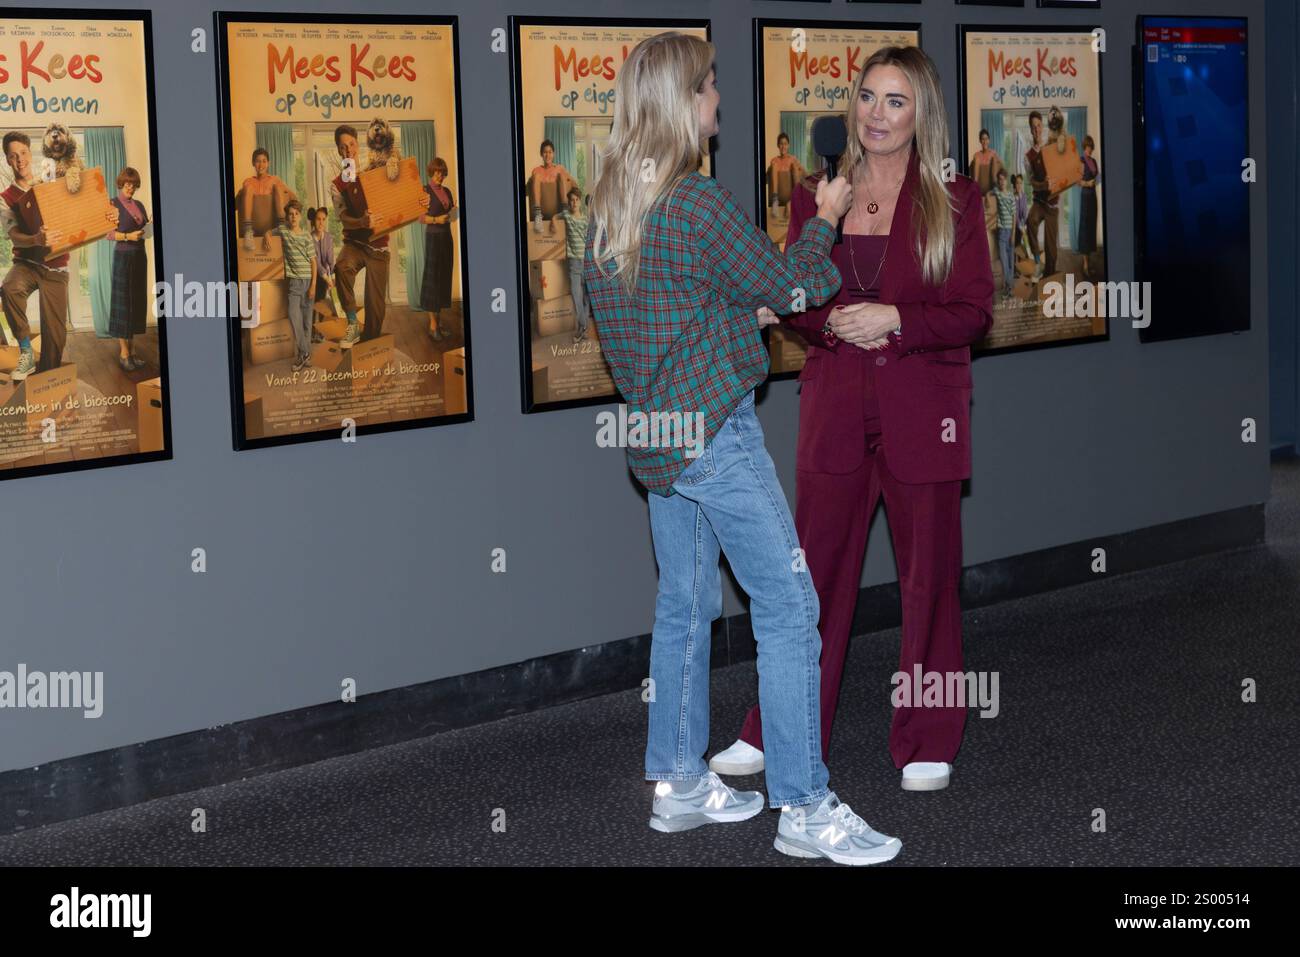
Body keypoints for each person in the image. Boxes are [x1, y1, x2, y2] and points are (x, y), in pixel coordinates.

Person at [584, 31, 901, 866]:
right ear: (683, 100)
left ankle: (681, 784)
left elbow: (660, 325)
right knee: (792, 607)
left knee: (684, 608)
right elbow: (796, 285)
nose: (719, 99)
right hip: (715, 436)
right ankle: (803, 804)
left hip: (658, 441)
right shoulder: (694, 203)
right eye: (711, 85)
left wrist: (738, 314)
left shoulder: (611, 204)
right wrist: (825, 222)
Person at [710, 45, 993, 794]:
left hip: (923, 415)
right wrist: (834, 324)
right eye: (868, 97)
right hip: (835, 413)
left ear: (921, 112)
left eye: (896, 101)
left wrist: (896, 317)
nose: (876, 114)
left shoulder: (955, 199)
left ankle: (930, 732)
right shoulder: (816, 197)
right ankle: (775, 729)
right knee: (807, 584)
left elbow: (973, 311)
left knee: (928, 582)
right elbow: (795, 300)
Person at [2, 131, 115, 381]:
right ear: (7, 160)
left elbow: (84, 204)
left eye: (22, 153)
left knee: (55, 333)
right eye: (12, 156)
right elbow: (13, 234)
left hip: (56, 267)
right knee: (10, 288)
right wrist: (35, 240)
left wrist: (108, 214)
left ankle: (48, 381)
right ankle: (25, 351)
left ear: (30, 154)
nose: (19, 160)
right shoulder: (6, 198)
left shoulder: (51, 179)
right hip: (27, 264)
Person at [329, 124, 388, 347]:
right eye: (343, 147)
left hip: (379, 246)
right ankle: (352, 323)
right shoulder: (336, 185)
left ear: (357, 144)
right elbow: (343, 218)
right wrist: (361, 222)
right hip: (354, 243)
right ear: (338, 151)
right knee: (341, 266)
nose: (348, 150)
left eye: (351, 144)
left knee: (376, 309)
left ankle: (369, 347)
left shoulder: (375, 171)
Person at [107, 166, 152, 372]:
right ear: (121, 183)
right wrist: (127, 236)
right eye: (127, 184)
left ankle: (133, 352)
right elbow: (108, 234)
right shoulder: (112, 204)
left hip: (139, 256)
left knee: (136, 302)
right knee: (122, 304)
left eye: (133, 185)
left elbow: (146, 233)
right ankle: (123, 352)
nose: (130, 188)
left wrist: (150, 225)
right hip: (123, 256)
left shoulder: (140, 205)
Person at [274, 199, 317, 372]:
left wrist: (313, 285)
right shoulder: (283, 230)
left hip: (308, 281)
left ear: (300, 216)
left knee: (307, 322)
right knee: (294, 316)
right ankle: (306, 352)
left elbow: (314, 262)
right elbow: (271, 232)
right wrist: (269, 236)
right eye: (290, 214)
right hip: (293, 283)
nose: (293, 217)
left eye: (296, 214)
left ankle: (303, 356)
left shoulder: (306, 235)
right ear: (287, 217)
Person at [418, 157, 457, 342]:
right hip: (433, 237)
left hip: (446, 237)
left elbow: (453, 216)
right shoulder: (424, 191)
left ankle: (439, 323)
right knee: (433, 279)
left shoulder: (447, 191)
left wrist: (455, 212)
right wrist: (436, 220)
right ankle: (432, 325)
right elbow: (420, 217)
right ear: (431, 172)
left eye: (442, 172)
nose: (439, 175)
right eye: (437, 172)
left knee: (443, 278)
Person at [1024, 110, 1059, 278]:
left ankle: (1049, 277)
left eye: (1038, 125)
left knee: (1052, 249)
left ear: (1042, 127)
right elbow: (1032, 182)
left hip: (1053, 203)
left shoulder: (1051, 148)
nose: (1036, 129)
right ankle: (1037, 260)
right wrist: (1043, 184)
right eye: (1033, 127)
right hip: (1039, 202)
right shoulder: (1028, 156)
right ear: (1030, 130)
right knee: (1030, 221)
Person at [554, 186, 589, 343]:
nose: (574, 203)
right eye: (571, 201)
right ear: (569, 203)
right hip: (574, 262)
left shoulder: (586, 219)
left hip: (587, 261)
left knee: (587, 298)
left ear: (580, 202)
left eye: (576, 200)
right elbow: (555, 217)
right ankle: (582, 326)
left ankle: (583, 327)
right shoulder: (566, 215)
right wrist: (554, 223)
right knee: (576, 295)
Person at [239, 147, 293, 244]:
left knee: (276, 186)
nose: (261, 165)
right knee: (248, 187)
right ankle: (248, 230)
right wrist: (242, 193)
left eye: (264, 161)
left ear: (268, 163)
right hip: (253, 225)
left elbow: (292, 196)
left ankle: (282, 228)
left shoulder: (275, 179)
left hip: (273, 226)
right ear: (253, 163)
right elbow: (237, 202)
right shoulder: (248, 182)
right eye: (258, 161)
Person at [528, 139, 577, 226]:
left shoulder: (559, 169)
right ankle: (537, 215)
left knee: (561, 175)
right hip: (541, 211)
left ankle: (565, 212)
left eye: (550, 152)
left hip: (558, 211)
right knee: (536, 176)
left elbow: (574, 185)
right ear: (541, 154)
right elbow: (528, 188)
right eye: (545, 152)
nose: (547, 155)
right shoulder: (536, 171)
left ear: (553, 154)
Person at [766, 132, 807, 225]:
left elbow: (805, 174)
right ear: (778, 145)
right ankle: (775, 200)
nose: (783, 146)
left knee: (794, 165)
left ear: (788, 145)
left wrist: (801, 169)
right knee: (774, 164)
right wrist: (770, 168)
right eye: (781, 144)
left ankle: (794, 199)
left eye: (785, 144)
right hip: (778, 196)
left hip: (791, 196)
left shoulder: (793, 159)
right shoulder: (774, 160)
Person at [308, 207, 337, 332]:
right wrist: (326, 278)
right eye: (318, 219)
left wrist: (331, 278)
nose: (321, 222)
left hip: (325, 276)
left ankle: (320, 329)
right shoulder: (309, 238)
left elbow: (330, 260)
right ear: (314, 221)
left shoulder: (329, 237)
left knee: (323, 300)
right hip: (313, 275)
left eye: (323, 219)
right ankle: (313, 330)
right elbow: (316, 263)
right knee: (317, 298)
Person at [1077, 135, 1100, 279]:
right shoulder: (1081, 160)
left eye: (1091, 146)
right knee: (1085, 228)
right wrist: (1088, 183)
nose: (1090, 149)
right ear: (1084, 146)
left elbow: (1098, 178)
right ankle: (1085, 265)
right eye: (1088, 146)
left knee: (1091, 227)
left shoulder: (1094, 161)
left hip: (1093, 196)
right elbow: (1077, 181)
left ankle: (1089, 262)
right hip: (1085, 195)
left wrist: (1095, 182)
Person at [992, 169, 1016, 295]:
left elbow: (1014, 216)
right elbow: (990, 193)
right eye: (999, 179)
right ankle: (1009, 286)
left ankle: (1009, 286)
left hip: (1010, 231)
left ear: (1006, 181)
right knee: (1004, 260)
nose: (1002, 182)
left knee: (1011, 260)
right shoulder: (997, 192)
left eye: (1003, 179)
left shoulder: (1011, 196)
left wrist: (1013, 235)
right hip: (1001, 232)